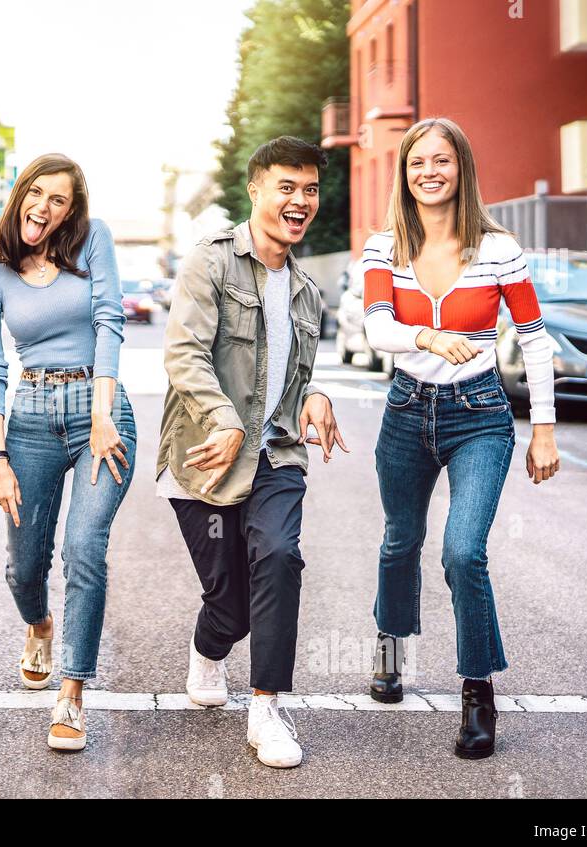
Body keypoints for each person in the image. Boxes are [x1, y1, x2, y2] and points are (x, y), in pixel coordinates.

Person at [361, 117, 559, 760]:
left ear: (461, 168)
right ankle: (390, 651)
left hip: (479, 415)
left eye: (441, 161)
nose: (429, 172)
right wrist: (424, 337)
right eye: (417, 163)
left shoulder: (500, 250)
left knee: (462, 553)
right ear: (405, 173)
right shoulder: (381, 248)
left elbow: (533, 338)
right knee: (400, 540)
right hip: (406, 411)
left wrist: (545, 430)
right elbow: (376, 328)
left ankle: (478, 692)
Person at [159, 135, 346, 769]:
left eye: (310, 190)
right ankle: (209, 651)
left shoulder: (307, 292)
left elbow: (294, 376)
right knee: (230, 608)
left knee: (280, 556)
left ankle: (266, 708)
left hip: (276, 456)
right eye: (287, 188)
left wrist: (314, 395)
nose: (300, 202)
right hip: (205, 456)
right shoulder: (209, 264)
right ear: (256, 191)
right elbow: (184, 354)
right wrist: (224, 420)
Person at [0, 154, 135, 751]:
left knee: (84, 549)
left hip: (101, 411)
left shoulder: (93, 243)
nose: (44, 208)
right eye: (36, 194)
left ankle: (71, 696)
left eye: (59, 200)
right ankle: (38, 625)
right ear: (19, 196)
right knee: (24, 566)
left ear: (72, 211)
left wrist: (101, 415)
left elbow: (109, 320)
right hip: (30, 418)